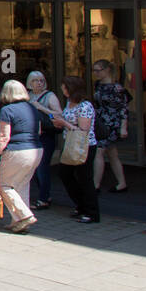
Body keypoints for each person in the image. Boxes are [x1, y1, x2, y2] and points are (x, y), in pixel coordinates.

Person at [0, 79, 42, 233]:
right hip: (36, 149)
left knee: (4, 185)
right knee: (22, 185)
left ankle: (24, 215)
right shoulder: (32, 108)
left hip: (16, 150)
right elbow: (39, 131)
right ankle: (18, 222)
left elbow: (3, 137)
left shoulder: (7, 110)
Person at [52, 75, 100, 224]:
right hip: (70, 144)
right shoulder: (69, 102)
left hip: (84, 146)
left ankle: (91, 212)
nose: (63, 90)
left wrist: (64, 123)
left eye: (65, 87)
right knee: (65, 174)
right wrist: (60, 123)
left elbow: (83, 130)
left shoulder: (85, 106)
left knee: (85, 178)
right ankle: (81, 205)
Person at [92, 59, 130, 194]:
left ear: (107, 70)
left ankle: (95, 184)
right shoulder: (97, 85)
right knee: (112, 153)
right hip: (101, 122)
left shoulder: (117, 88)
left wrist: (123, 127)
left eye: (98, 70)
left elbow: (124, 108)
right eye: (94, 70)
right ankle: (122, 183)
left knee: (99, 151)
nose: (95, 73)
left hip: (112, 123)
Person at [26, 71, 62, 210]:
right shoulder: (28, 96)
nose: (39, 83)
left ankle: (44, 198)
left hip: (46, 134)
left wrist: (41, 108)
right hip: (33, 134)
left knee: (42, 167)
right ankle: (44, 194)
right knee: (35, 166)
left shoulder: (49, 96)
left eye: (41, 80)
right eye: (36, 80)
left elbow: (59, 114)